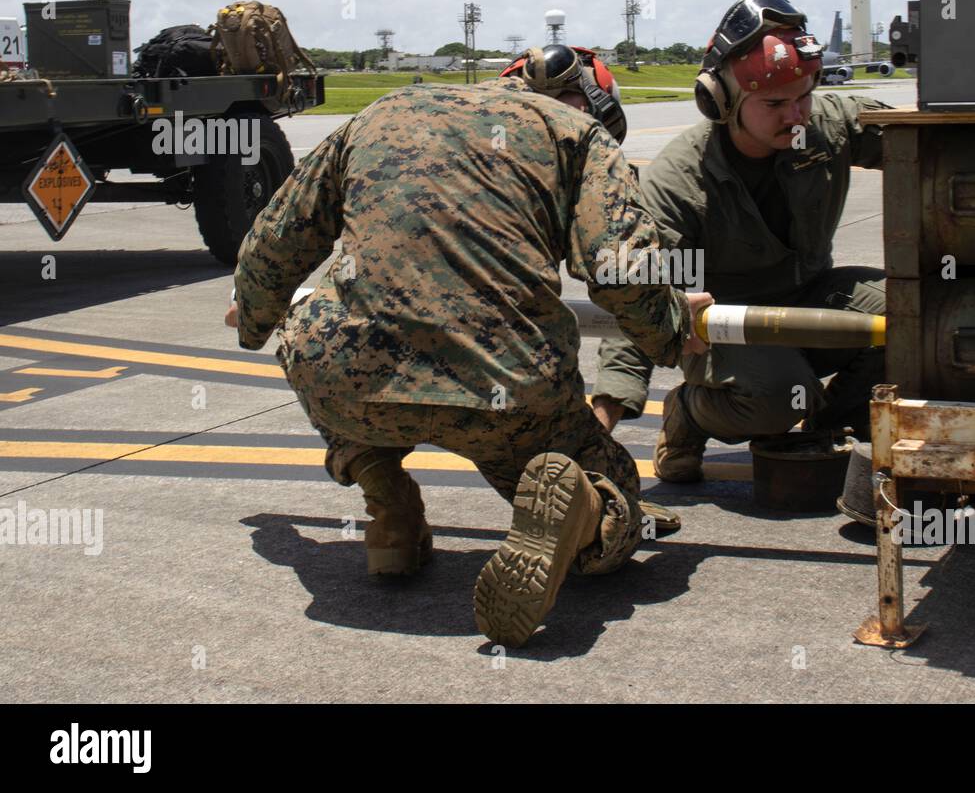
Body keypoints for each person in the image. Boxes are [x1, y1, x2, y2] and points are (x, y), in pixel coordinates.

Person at [227, 49, 711, 647]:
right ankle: (582, 509)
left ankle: (390, 514)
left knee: (317, 334)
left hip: (351, 381)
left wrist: (254, 318)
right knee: (616, 504)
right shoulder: (581, 135)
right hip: (508, 387)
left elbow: (273, 244)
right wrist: (670, 325)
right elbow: (621, 270)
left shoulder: (385, 109)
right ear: (594, 105)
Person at [591, 0, 891, 482]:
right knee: (775, 399)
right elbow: (636, 298)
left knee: (913, 320)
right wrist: (602, 422)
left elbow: (921, 138)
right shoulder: (679, 180)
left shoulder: (824, 126)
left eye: (804, 97)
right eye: (774, 103)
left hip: (808, 300)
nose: (795, 116)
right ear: (721, 100)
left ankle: (828, 426)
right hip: (728, 327)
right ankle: (690, 410)